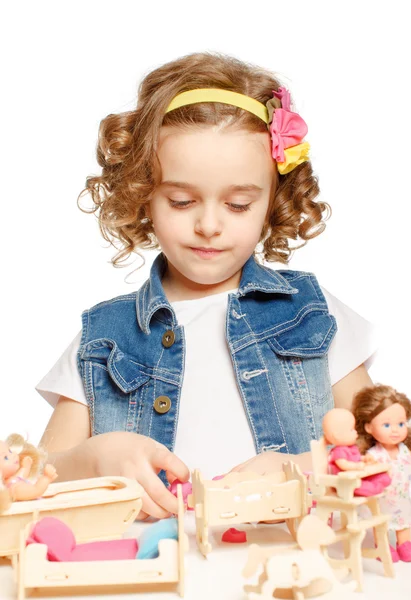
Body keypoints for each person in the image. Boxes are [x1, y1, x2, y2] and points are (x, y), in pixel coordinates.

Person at [36, 52, 377, 520]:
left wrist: (302, 469)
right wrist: (90, 461)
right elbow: (32, 479)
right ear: (144, 195)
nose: (209, 225)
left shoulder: (313, 316)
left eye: (238, 204)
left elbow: (385, 451)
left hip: (292, 575)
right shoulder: (105, 337)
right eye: (181, 201)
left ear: (272, 202)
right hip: (156, 579)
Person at [352, 384, 411, 562]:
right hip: (382, 498)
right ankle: (383, 545)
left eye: (401, 424)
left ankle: (405, 543)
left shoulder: (405, 450)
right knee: (381, 522)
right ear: (369, 427)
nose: (395, 430)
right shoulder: (374, 455)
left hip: (404, 496)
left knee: (405, 519)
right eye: (386, 424)